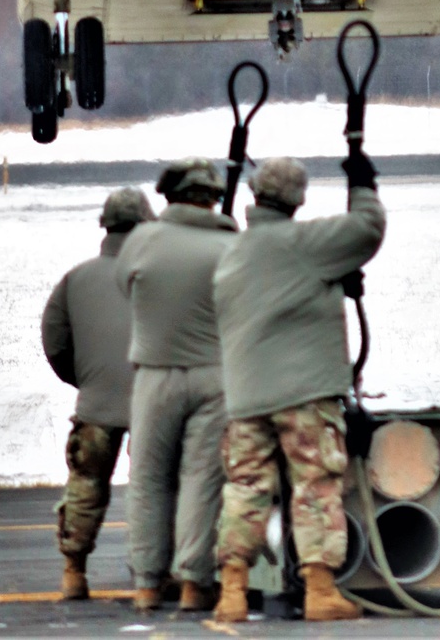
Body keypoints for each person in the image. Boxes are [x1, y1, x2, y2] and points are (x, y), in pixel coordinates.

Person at [212, 153, 386, 624]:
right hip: (303, 394)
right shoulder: (304, 242)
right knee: (315, 486)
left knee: (245, 488)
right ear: (298, 198)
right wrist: (363, 182)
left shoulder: (233, 250)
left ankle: (231, 591)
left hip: (246, 395)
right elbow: (367, 229)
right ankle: (320, 590)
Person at [115, 158, 238, 613]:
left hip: (153, 373)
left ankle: (147, 582)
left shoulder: (142, 240)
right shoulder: (230, 245)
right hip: (216, 374)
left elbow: (123, 286)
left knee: (147, 478)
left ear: (170, 196)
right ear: (212, 197)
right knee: (202, 479)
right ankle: (194, 581)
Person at [41, 186, 156, 602]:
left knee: (86, 486)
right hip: (155, 402)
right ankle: (153, 575)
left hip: (95, 404)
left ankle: (74, 571)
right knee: (154, 487)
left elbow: (54, 341)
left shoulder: (76, 279)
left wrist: (85, 379)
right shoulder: (157, 274)